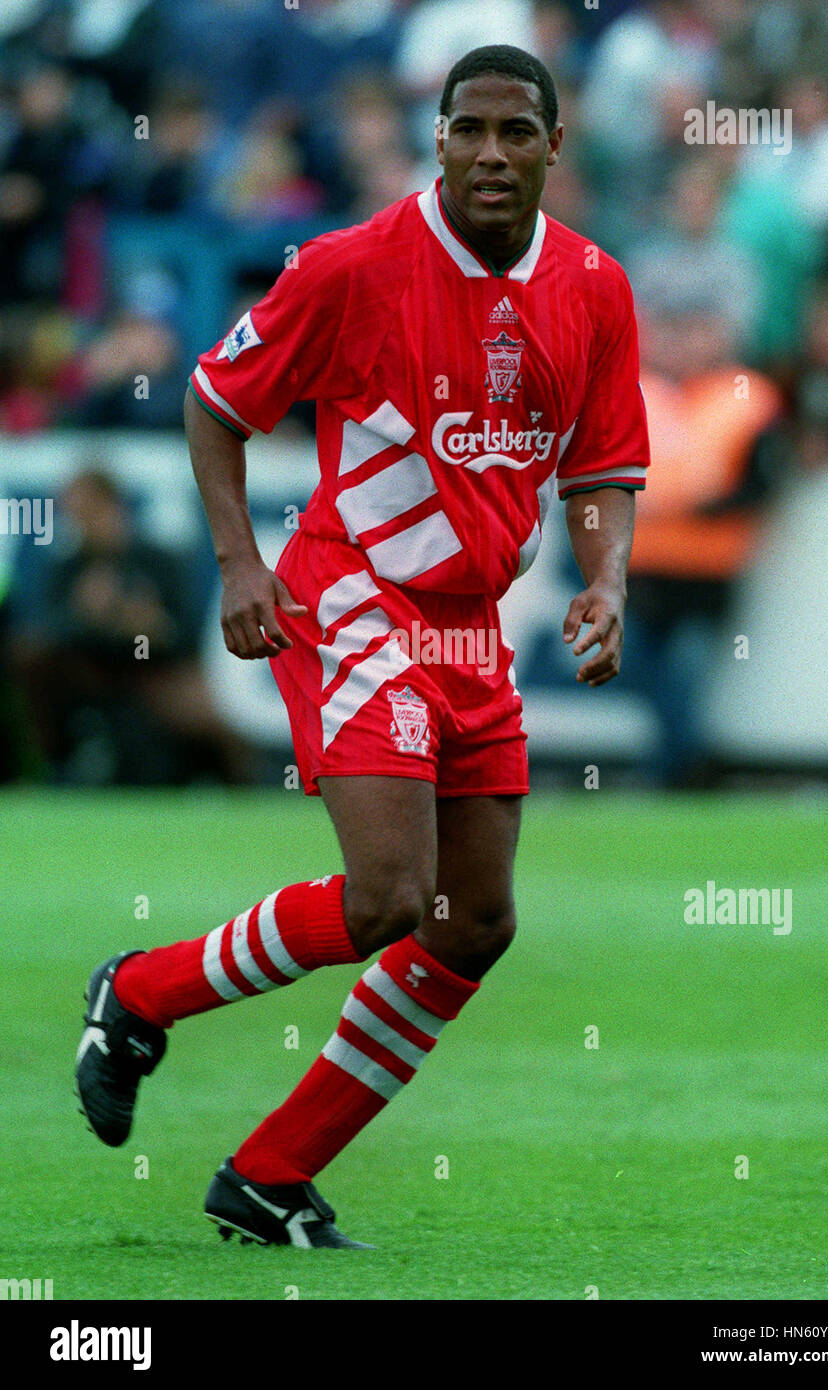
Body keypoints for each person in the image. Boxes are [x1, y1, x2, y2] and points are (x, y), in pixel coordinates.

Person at [76, 45, 649, 1249]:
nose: (490, 152)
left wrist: (602, 576)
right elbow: (215, 400)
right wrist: (240, 564)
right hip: (352, 595)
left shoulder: (595, 284)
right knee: (392, 895)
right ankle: (139, 993)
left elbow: (602, 466)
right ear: (436, 140)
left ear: (554, 146)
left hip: (471, 628)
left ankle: (269, 1174)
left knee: (473, 921)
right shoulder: (350, 266)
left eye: (515, 132)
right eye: (468, 130)